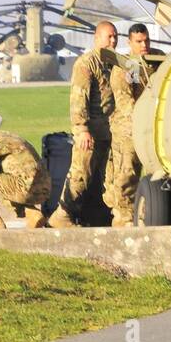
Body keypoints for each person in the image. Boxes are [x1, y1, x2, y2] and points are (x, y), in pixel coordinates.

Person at [47, 21, 118, 228]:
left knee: (107, 178)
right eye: (109, 37)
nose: (113, 41)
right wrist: (82, 130)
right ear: (97, 38)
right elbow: (79, 99)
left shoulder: (118, 63)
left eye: (115, 37)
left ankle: (102, 216)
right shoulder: (87, 63)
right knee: (81, 175)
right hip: (91, 132)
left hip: (110, 132)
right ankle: (62, 216)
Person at [102, 24, 154, 226]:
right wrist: (141, 123)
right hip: (128, 127)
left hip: (150, 125)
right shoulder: (127, 66)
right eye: (139, 42)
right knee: (127, 172)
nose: (144, 45)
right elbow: (126, 102)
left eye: (146, 40)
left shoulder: (156, 59)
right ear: (129, 42)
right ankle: (123, 216)